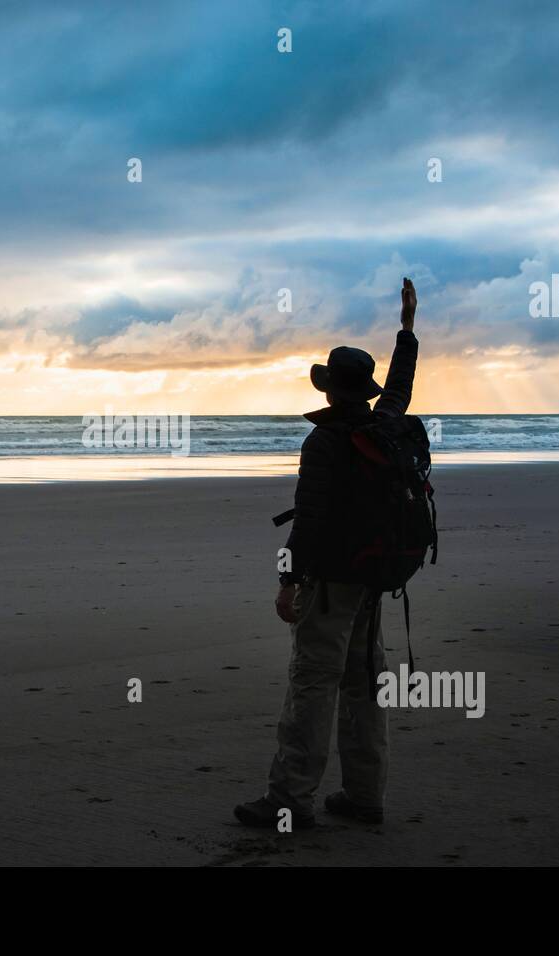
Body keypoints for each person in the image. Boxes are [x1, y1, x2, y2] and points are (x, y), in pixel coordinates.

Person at [235, 277, 419, 830]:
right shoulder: (382, 424)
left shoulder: (325, 441)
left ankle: (290, 799)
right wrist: (407, 329)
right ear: (362, 391)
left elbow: (309, 522)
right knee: (365, 684)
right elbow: (401, 390)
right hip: (374, 576)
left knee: (313, 684)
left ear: (328, 391)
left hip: (333, 580)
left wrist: (287, 580)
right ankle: (365, 795)